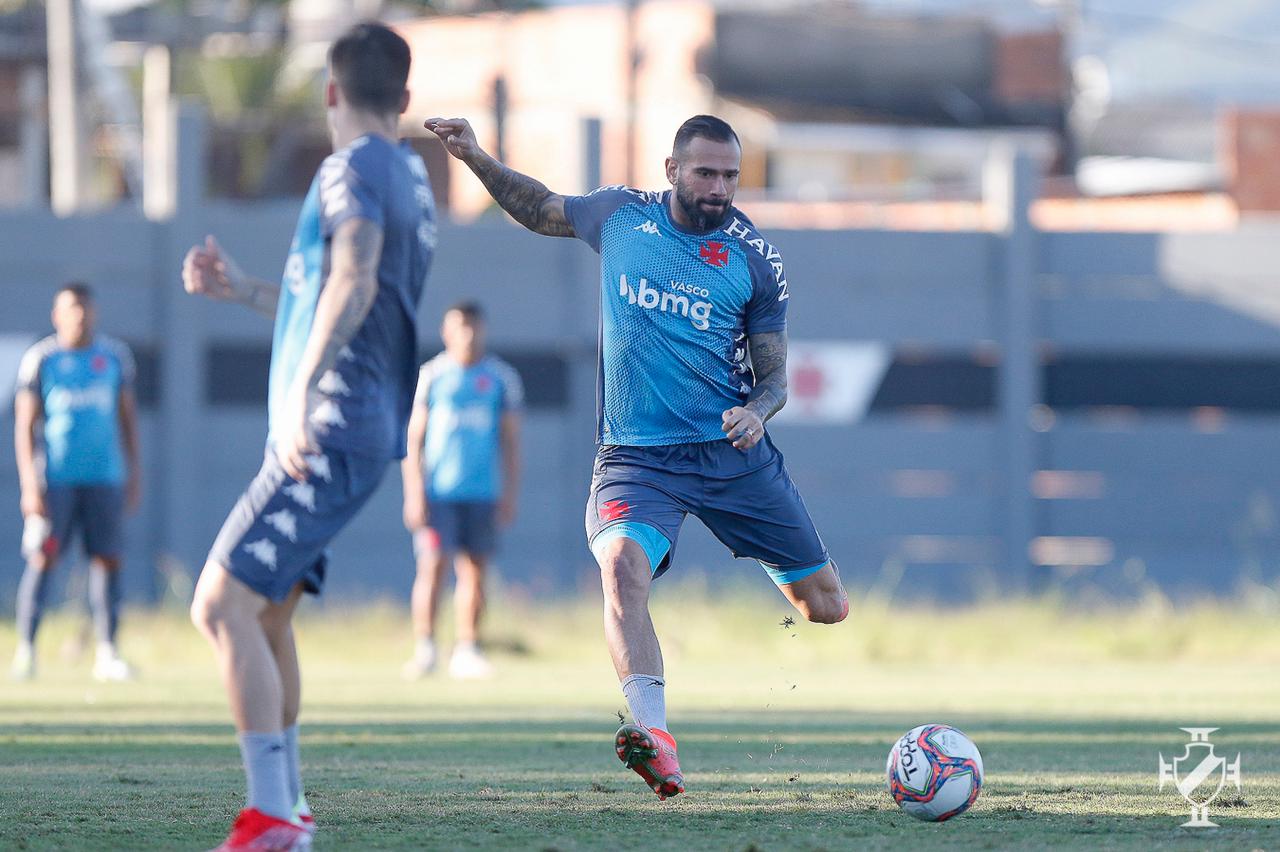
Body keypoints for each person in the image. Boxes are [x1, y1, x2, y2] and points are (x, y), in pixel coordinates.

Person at [425, 113, 848, 799]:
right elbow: (538, 209)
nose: (719, 187)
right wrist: (474, 156)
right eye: (706, 172)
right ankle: (655, 736)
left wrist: (756, 411)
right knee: (620, 569)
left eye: (731, 175)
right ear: (672, 170)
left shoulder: (755, 260)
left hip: (731, 455)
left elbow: (774, 377)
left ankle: (771, 564)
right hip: (637, 460)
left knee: (826, 607)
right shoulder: (621, 217)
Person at [182, 22, 435, 850]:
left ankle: (270, 818)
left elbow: (356, 278)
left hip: (329, 425)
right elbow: (334, 291)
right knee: (266, 619)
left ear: (330, 93)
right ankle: (287, 811)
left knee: (220, 605)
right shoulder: (409, 176)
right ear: (402, 99)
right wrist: (247, 291)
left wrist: (297, 396)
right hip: (361, 426)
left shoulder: (348, 168)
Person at [11, 282, 141, 683]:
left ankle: (108, 652)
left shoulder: (114, 357)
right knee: (44, 558)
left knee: (108, 560)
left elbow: (127, 420)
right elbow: (24, 426)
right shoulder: (42, 359)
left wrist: (134, 473)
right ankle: (27, 651)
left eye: (85, 307)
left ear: (94, 312)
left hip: (105, 479)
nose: (79, 315)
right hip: (57, 482)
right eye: (71, 308)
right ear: (57, 315)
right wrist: (30, 486)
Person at [400, 302, 523, 680]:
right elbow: (413, 440)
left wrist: (509, 493)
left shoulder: (501, 378)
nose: (468, 335)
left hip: (483, 492)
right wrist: (414, 492)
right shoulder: (433, 376)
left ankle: (467, 648)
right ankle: (426, 647)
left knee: (474, 571)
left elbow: (511, 443)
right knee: (432, 566)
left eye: (474, 327)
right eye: (460, 327)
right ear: (446, 332)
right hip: (439, 493)